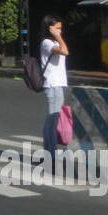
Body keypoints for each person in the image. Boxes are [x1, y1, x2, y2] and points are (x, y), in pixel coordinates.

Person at [40, 14, 69, 161]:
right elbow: (65, 51)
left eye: (61, 29)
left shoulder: (52, 43)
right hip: (52, 85)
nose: (60, 31)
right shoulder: (47, 43)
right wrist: (58, 37)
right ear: (50, 29)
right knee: (52, 120)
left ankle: (49, 152)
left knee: (53, 119)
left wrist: (57, 36)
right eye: (57, 28)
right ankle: (50, 154)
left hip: (58, 85)